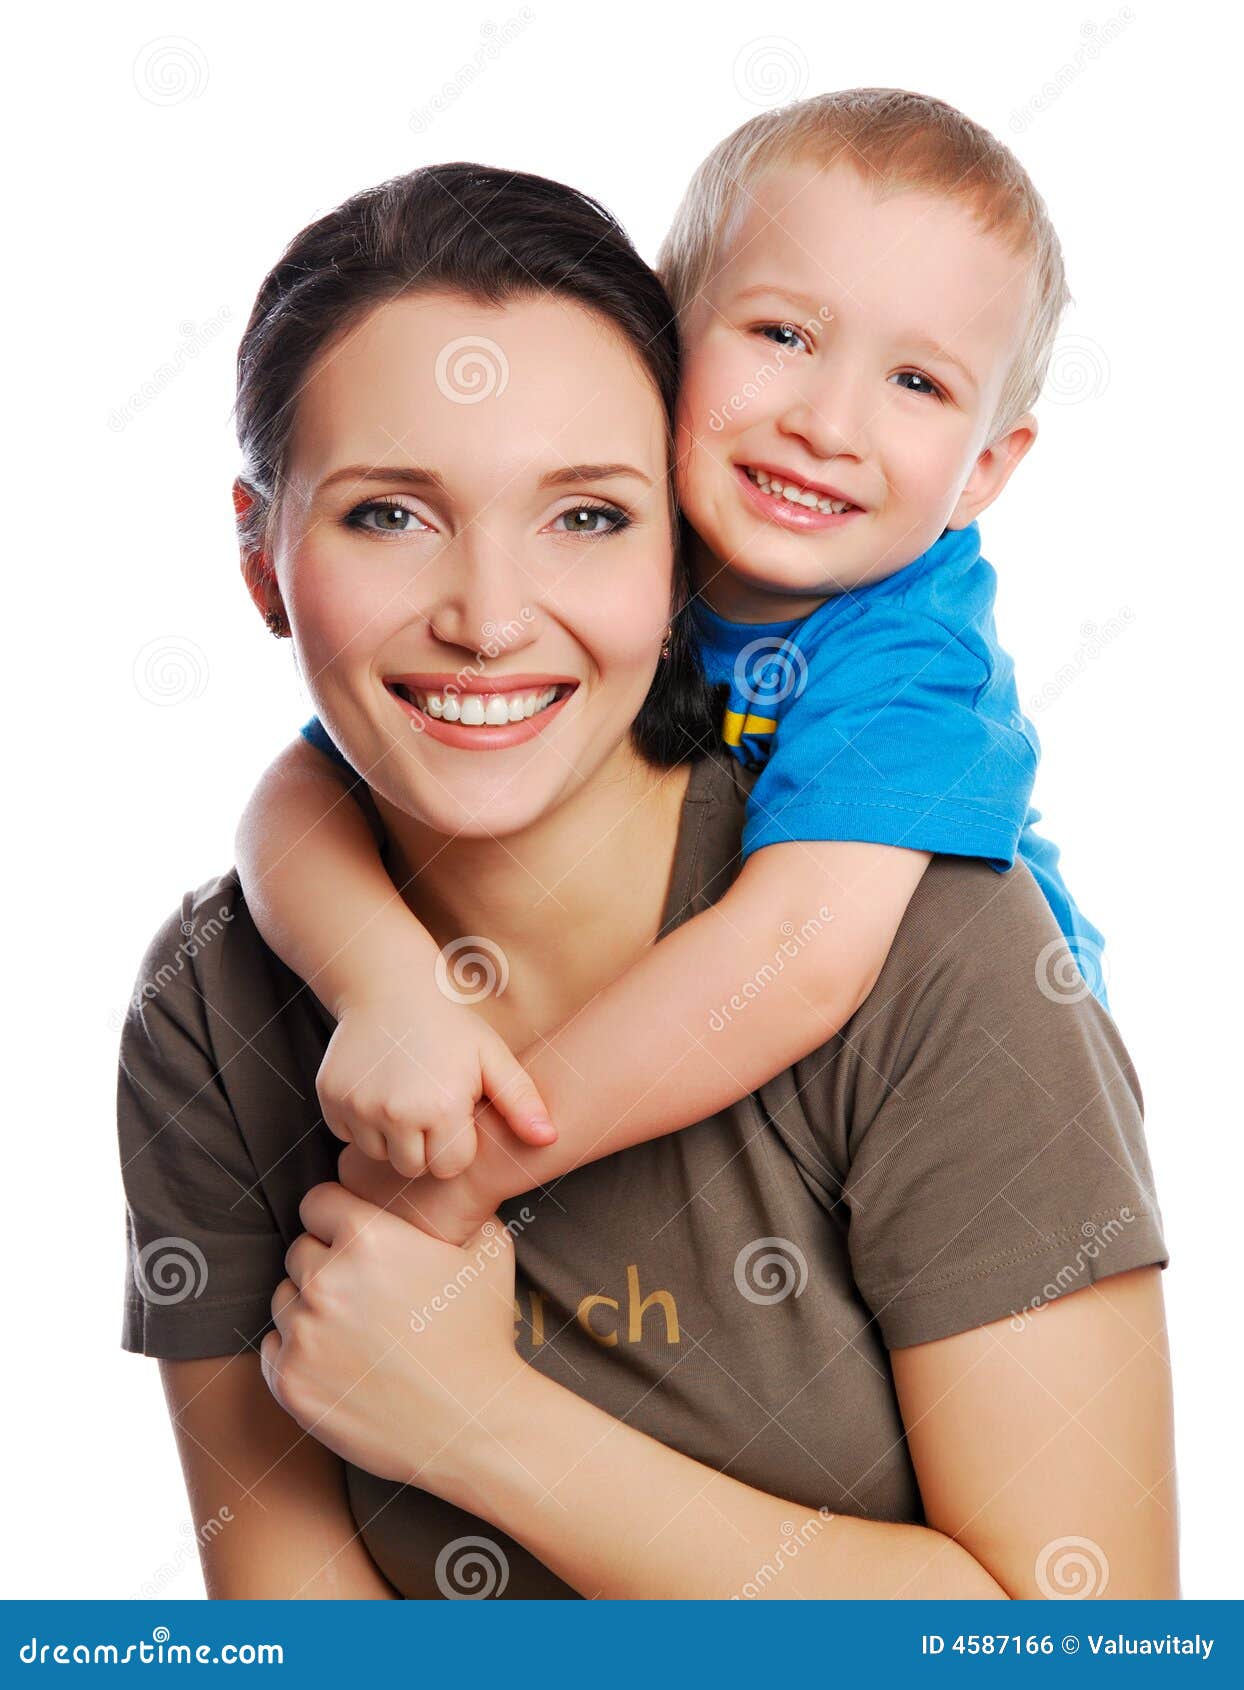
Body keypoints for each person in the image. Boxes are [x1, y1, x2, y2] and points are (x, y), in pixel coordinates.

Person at [117, 162, 1176, 1599]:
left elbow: (1084, 1643)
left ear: (678, 536)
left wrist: (481, 1416)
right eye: (387, 514)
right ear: (260, 554)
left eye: (586, 516)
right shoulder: (219, 998)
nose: (489, 620)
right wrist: (385, 981)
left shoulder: (928, 927)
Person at [233, 91, 1109, 1227]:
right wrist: (385, 985)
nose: (826, 424)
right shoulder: (608, 547)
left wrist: (470, 1170)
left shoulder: (915, 652)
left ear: (986, 466)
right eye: (782, 336)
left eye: (916, 384)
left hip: (961, 1091)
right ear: (665, 346)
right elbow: (306, 789)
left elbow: (794, 961)